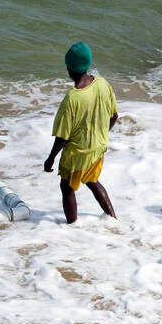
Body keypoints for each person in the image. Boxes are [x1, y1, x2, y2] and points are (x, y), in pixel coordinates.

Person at [43, 41, 119, 223]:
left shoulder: (72, 98)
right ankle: (112, 219)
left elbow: (63, 136)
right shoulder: (102, 84)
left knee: (67, 187)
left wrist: (51, 157)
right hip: (98, 148)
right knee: (92, 180)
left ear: (69, 68)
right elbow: (114, 116)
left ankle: (72, 225)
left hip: (78, 154)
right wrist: (101, 134)